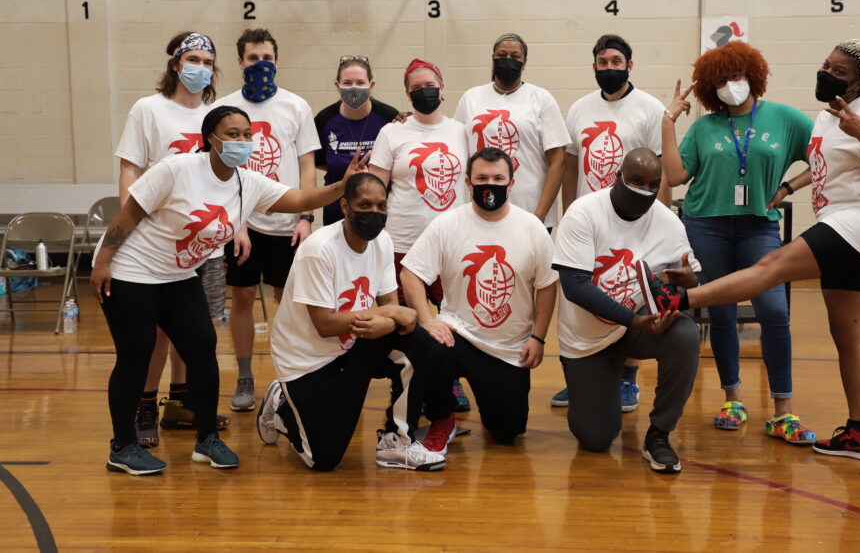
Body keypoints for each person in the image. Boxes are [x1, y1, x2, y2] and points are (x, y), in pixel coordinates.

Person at [654, 37, 860, 462]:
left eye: (839, 71)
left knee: (771, 286)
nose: (827, 74)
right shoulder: (828, 117)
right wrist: (669, 119)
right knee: (846, 334)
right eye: (825, 65)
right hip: (723, 223)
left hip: (847, 223)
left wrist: (794, 182)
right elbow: (824, 160)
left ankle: (680, 301)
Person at [91, 105, 364, 476]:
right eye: (232, 134)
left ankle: (206, 440)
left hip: (177, 274)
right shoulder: (177, 169)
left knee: (202, 349)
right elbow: (127, 216)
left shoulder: (247, 182)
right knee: (135, 355)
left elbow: (300, 200)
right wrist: (102, 263)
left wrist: (341, 185)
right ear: (211, 139)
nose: (242, 141)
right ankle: (122, 447)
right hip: (130, 269)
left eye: (247, 134)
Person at [660, 42, 817, 445]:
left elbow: (827, 157)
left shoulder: (785, 118)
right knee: (721, 313)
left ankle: (783, 411)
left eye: (736, 76)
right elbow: (675, 176)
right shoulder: (704, 127)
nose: (731, 85)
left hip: (758, 226)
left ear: (752, 75)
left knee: (774, 310)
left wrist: (788, 187)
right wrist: (667, 120)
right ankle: (733, 399)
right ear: (710, 88)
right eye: (721, 80)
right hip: (705, 225)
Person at [256, 172, 449, 472]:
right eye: (365, 205)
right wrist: (388, 316)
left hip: (349, 346)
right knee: (323, 460)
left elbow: (390, 305)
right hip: (306, 360)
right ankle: (282, 408)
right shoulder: (319, 250)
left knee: (420, 342)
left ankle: (397, 442)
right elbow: (325, 325)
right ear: (345, 207)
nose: (375, 213)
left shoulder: (382, 241)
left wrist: (389, 321)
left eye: (381, 206)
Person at [553, 147, 702, 474]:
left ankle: (659, 434)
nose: (645, 190)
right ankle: (595, 384)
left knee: (686, 334)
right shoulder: (584, 212)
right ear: (617, 177)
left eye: (653, 185)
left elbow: (691, 279)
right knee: (596, 438)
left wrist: (689, 282)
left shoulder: (668, 222)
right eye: (636, 181)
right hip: (588, 338)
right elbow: (575, 286)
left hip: (635, 330)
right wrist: (635, 320)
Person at [113, 31, 228, 447]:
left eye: (208, 62)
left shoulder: (216, 115)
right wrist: (130, 222)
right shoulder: (149, 109)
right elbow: (130, 168)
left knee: (195, 332)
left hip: (205, 241)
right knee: (158, 334)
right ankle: (146, 405)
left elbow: (230, 176)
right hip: (158, 241)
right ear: (176, 64)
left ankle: (181, 403)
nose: (201, 67)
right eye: (193, 59)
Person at [400, 147, 558, 450]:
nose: (490, 184)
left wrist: (538, 338)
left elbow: (548, 286)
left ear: (511, 184)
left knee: (508, 433)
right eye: (482, 178)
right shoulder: (447, 224)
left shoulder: (532, 228)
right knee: (427, 342)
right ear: (468, 183)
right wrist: (427, 320)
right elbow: (410, 274)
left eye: (498, 178)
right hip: (459, 334)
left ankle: (492, 403)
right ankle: (442, 419)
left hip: (508, 348)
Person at [556, 34, 669, 411]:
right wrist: (568, 213)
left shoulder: (650, 108)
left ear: (629, 66)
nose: (609, 68)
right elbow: (571, 165)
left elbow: (660, 171)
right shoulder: (579, 108)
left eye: (616, 62)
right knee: (582, 298)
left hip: (633, 220)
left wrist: (658, 220)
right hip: (589, 221)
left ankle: (626, 380)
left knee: (630, 294)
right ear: (594, 66)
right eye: (603, 62)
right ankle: (581, 377)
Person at [220, 29, 321, 412]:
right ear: (239, 62)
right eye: (252, 58)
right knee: (242, 296)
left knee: (288, 301)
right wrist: (237, 222)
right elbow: (220, 169)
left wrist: (306, 216)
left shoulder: (296, 106)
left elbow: (307, 164)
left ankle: (287, 376)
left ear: (277, 61)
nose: (260, 64)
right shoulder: (225, 108)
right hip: (243, 223)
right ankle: (245, 376)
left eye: (267, 58)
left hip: (287, 223)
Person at [368, 58, 468, 306]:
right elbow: (374, 191)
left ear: (442, 89)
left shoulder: (462, 132)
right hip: (401, 243)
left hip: (450, 243)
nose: (424, 91)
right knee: (403, 319)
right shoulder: (391, 132)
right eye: (416, 88)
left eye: (430, 85)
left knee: (452, 317)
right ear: (408, 95)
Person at [453, 33, 569, 229]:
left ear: (524, 62)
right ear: (493, 58)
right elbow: (454, 149)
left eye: (515, 57)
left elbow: (558, 161)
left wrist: (539, 214)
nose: (508, 60)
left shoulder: (541, 98)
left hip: (530, 210)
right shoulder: (471, 98)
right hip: (482, 209)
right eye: (502, 55)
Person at [314, 56, 399, 226]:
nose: (353, 88)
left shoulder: (389, 117)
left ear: (371, 85)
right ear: (337, 86)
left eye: (360, 83)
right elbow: (319, 161)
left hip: (378, 209)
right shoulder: (324, 119)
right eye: (347, 83)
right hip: (336, 209)